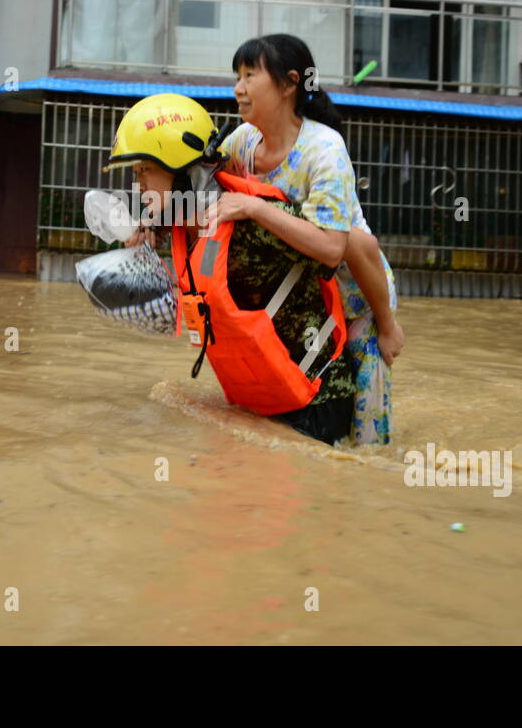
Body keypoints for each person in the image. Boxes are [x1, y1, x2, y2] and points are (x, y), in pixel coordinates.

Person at [106, 92, 356, 445]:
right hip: (259, 399)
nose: (139, 185)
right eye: (135, 173)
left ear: (182, 171)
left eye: (145, 170)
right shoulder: (180, 225)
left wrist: (385, 322)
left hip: (316, 401)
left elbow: (338, 248)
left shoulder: (254, 217)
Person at [208, 33, 404, 445]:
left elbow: (337, 247)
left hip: (357, 295)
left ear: (288, 83)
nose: (237, 88)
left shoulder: (324, 150)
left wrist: (386, 326)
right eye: (236, 76)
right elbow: (199, 181)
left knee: (366, 436)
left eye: (249, 75)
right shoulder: (242, 141)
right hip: (305, 295)